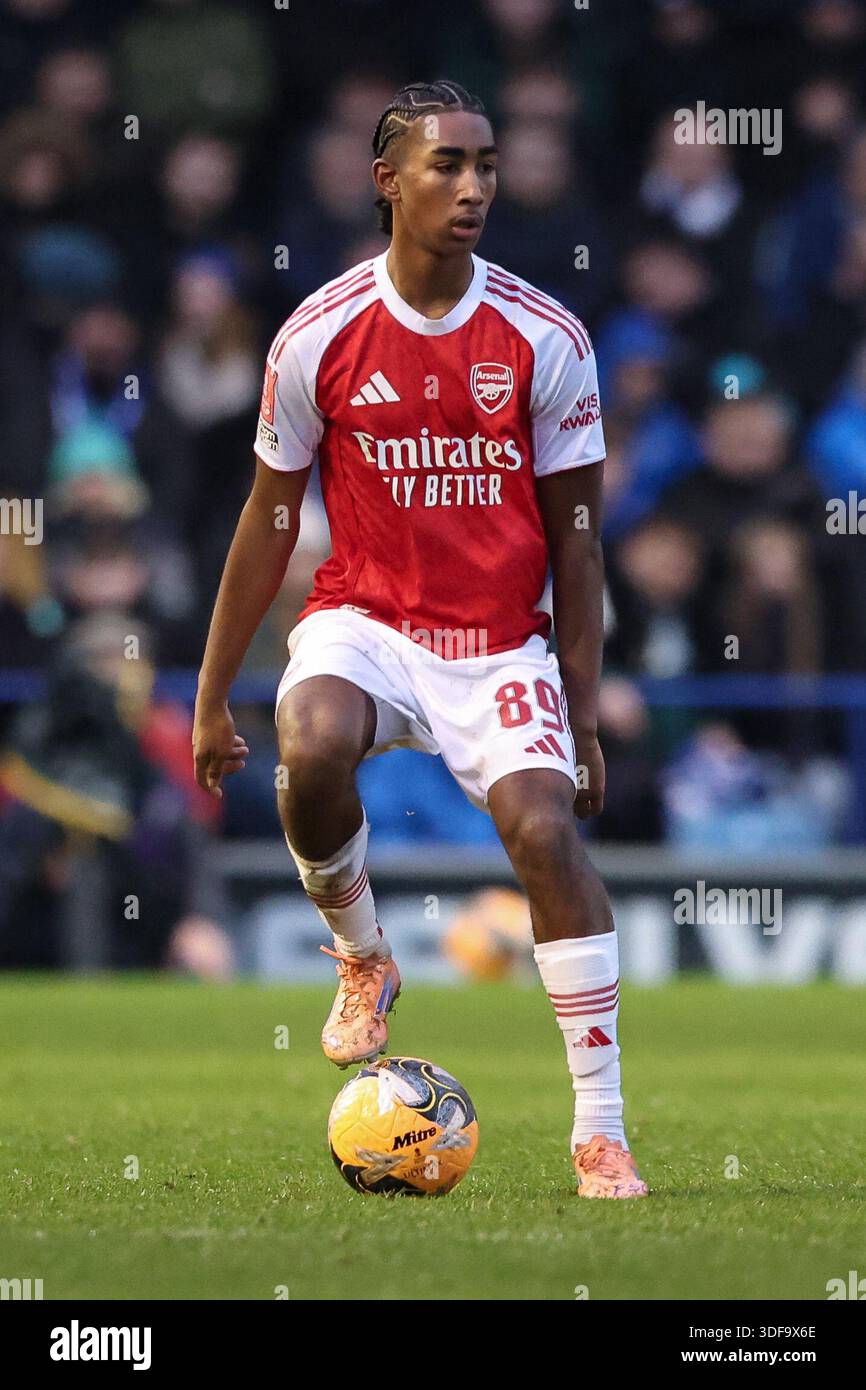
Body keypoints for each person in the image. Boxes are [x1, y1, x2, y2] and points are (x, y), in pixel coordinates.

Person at [193, 80, 647, 1200]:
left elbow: (576, 539)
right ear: (386, 180)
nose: (473, 186)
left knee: (544, 834)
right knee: (308, 740)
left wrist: (580, 711)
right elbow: (268, 517)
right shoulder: (318, 335)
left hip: (498, 641)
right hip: (366, 617)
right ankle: (362, 955)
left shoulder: (545, 337)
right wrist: (210, 698)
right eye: (447, 165)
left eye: (485, 165)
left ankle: (599, 1129)